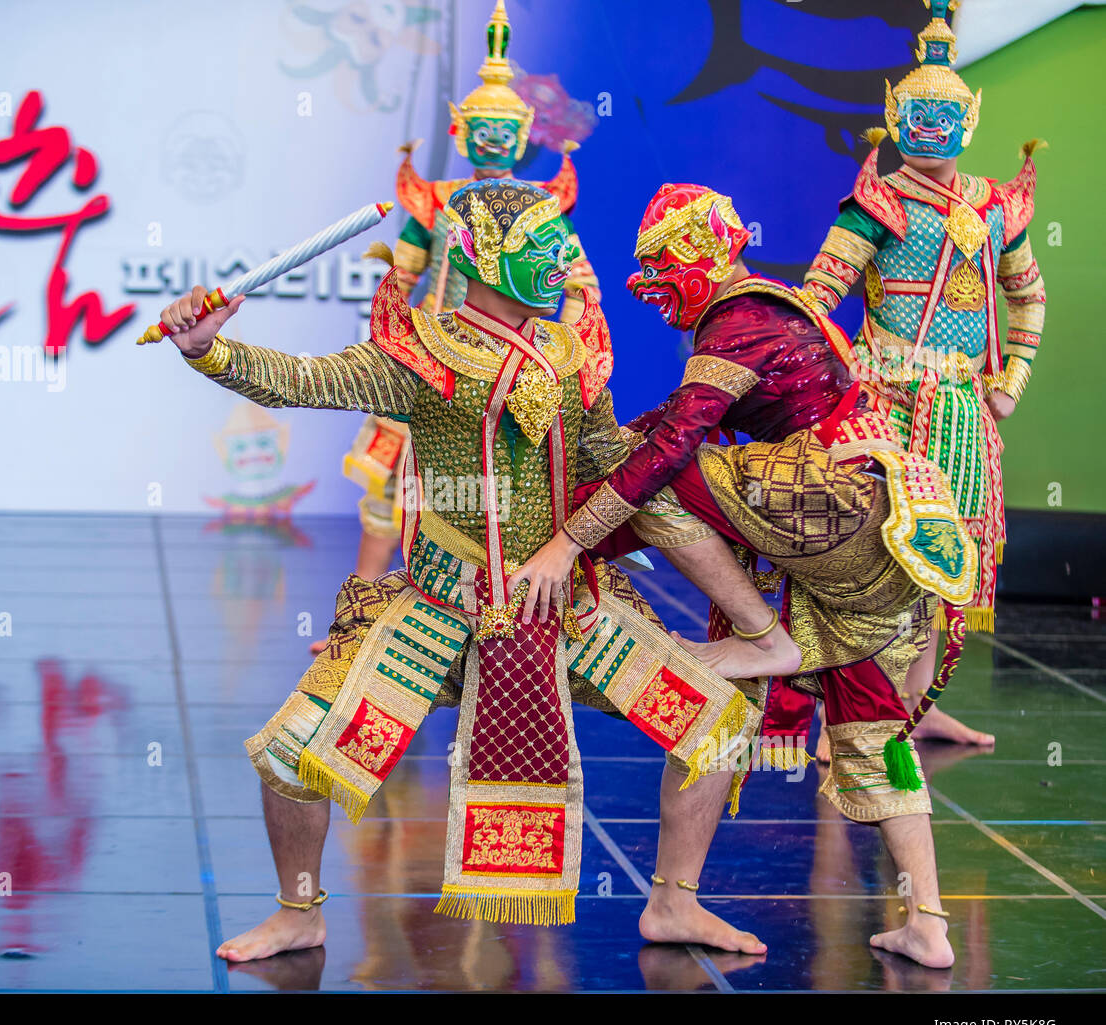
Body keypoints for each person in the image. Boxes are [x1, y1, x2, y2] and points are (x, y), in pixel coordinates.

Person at [159, 178, 760, 962]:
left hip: (566, 613)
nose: (562, 261)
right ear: (485, 257)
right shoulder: (423, 354)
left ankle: (674, 904)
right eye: (541, 247)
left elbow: (602, 457)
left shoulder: (572, 353)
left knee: (719, 725)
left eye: (561, 242)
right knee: (289, 753)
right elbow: (307, 380)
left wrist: (697, 480)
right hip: (440, 613)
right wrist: (210, 347)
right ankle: (298, 911)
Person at [510, 182, 976, 967]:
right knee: (853, 734)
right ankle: (921, 920)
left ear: (698, 254)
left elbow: (665, 452)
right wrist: (594, 466)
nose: (653, 292)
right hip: (865, 561)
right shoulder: (759, 314)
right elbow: (668, 421)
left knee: (656, 480)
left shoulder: (740, 318)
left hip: (834, 520)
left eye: (660, 269)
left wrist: (560, 542)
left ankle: (762, 639)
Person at [803, 0, 1046, 751]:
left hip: (966, 405)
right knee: (872, 547)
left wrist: (1013, 380)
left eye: (946, 111)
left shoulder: (996, 204)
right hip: (884, 400)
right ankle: (848, 707)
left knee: (955, 552)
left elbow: (1028, 294)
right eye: (921, 110)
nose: (933, 124)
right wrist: (841, 378)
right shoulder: (877, 201)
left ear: (968, 117)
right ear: (895, 113)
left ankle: (916, 705)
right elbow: (817, 297)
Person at [323, 0, 599, 652]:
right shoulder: (439, 201)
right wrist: (388, 343)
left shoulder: (541, 206)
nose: (496, 141)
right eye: (484, 127)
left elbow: (569, 276)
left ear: (526, 129)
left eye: (508, 129)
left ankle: (525, 606)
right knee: (387, 483)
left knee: (519, 488)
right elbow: (407, 273)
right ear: (459, 129)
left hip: (507, 366)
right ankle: (360, 612)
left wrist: (572, 341)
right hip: (433, 356)